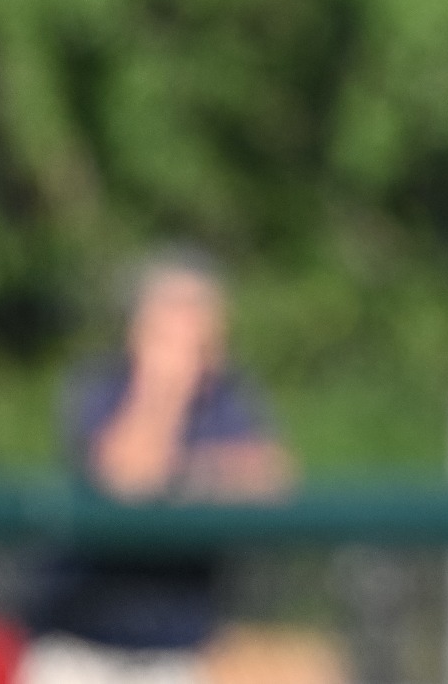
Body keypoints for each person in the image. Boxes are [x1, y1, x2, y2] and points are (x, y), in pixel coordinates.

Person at [21, 249, 294, 684]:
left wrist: (182, 470)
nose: (199, 330)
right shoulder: (99, 385)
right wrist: (164, 386)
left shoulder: (228, 397)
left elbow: (268, 482)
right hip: (80, 640)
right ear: (141, 326)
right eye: (180, 315)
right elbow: (125, 478)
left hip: (175, 646)